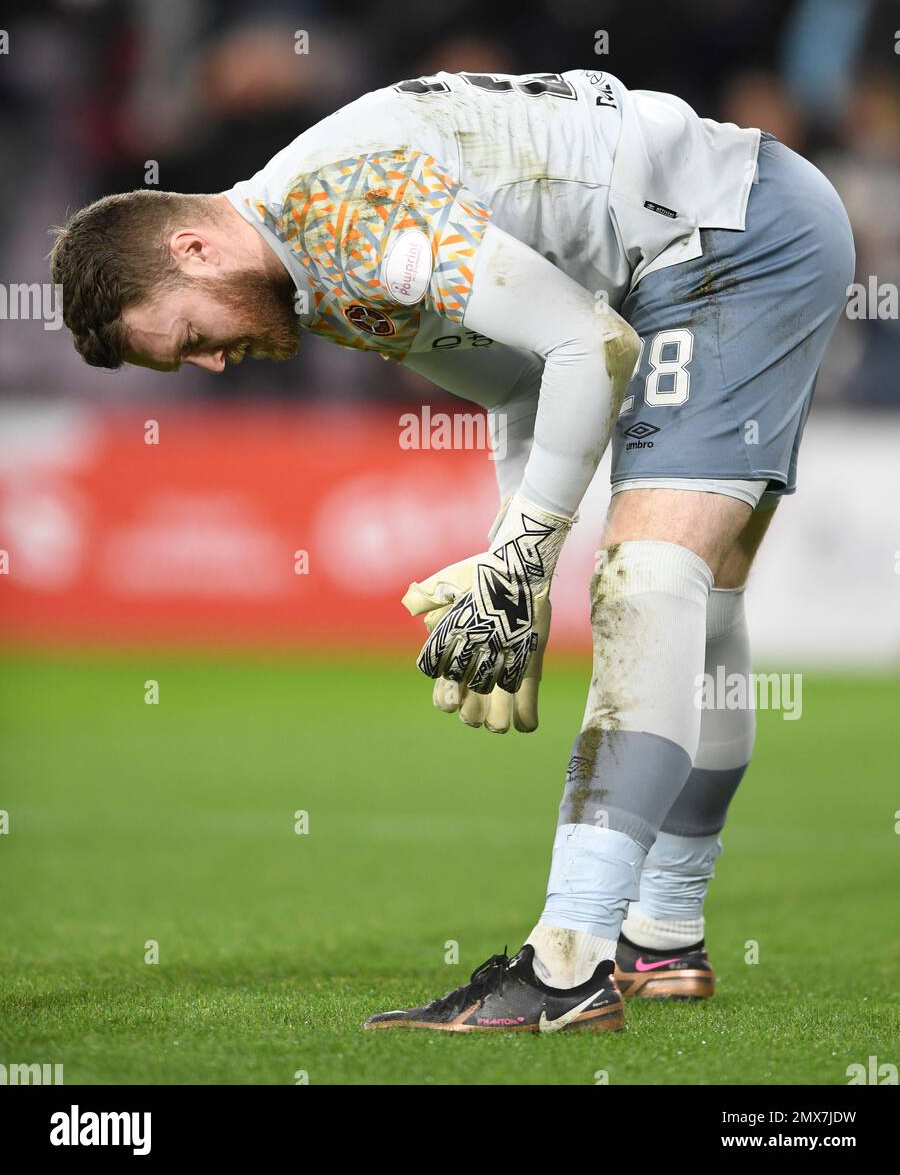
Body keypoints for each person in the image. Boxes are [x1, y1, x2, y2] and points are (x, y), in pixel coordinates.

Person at [50, 68, 855, 1033]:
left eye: (188, 338)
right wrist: (518, 568)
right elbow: (523, 386)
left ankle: (569, 966)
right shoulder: (317, 273)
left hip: (732, 236)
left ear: (191, 247)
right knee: (699, 599)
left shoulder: (348, 220)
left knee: (648, 582)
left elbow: (587, 347)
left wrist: (520, 561)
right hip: (721, 233)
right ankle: (663, 936)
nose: (211, 364)